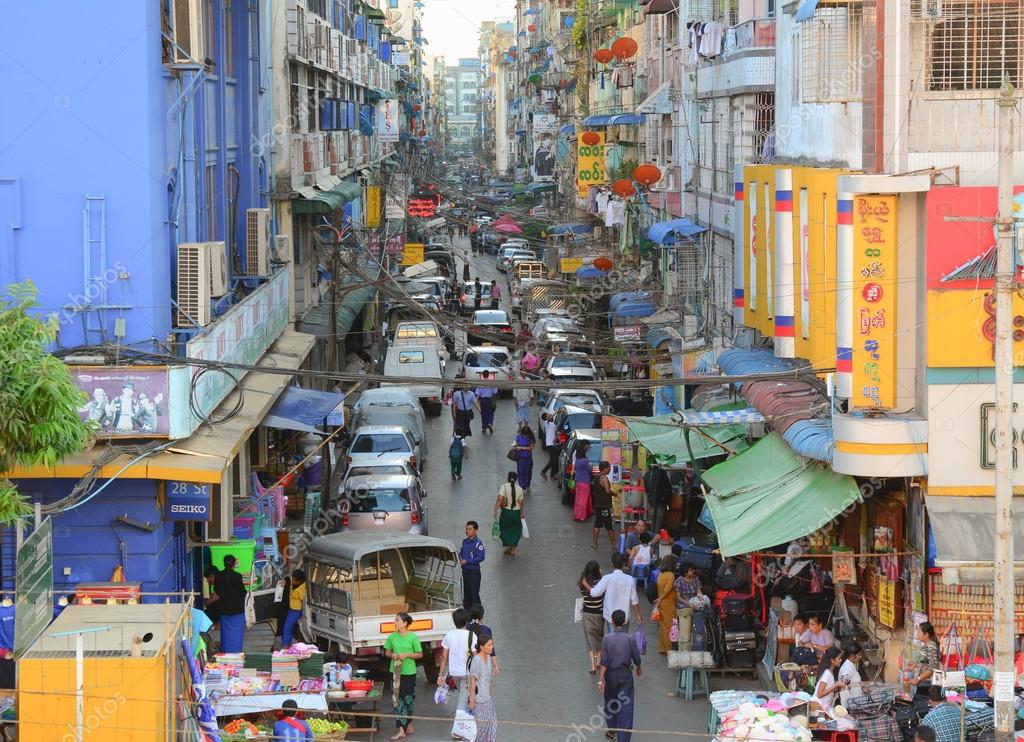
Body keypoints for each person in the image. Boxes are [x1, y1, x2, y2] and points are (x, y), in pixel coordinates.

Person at [598, 609, 641, 742]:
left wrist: (601, 680)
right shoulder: (630, 638)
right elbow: (636, 657)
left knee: (611, 703)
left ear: (611, 621)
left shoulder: (606, 639)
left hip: (610, 676)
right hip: (625, 676)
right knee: (626, 706)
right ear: (625, 621)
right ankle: (623, 738)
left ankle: (612, 730)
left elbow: (603, 662)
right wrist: (639, 667)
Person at [384, 612, 423, 740]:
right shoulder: (392, 637)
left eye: (398, 620)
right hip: (395, 671)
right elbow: (387, 651)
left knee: (408, 699)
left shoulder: (413, 637)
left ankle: (409, 722)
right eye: (395, 620)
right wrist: (392, 655)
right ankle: (401, 729)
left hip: (409, 672)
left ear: (405, 623)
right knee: (397, 699)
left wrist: (407, 655)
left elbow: (419, 654)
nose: (395, 623)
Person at [437, 608, 477, 722]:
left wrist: (441, 674)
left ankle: (463, 720)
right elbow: (475, 656)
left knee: (462, 695)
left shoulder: (449, 635)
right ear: (466, 621)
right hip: (467, 672)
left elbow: (444, 656)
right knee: (463, 698)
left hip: (454, 672)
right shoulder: (471, 635)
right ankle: (457, 728)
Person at [590, 552, 643, 631]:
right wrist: (638, 614)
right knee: (623, 640)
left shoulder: (607, 578)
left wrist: (586, 585)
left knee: (612, 640)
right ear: (623, 564)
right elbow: (634, 601)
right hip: (624, 617)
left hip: (610, 616)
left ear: (611, 564)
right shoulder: (629, 579)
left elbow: (594, 593)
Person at [468, 636, 498, 742]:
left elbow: (487, 680)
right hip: (479, 701)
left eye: (492, 644)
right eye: (488, 645)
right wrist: (472, 701)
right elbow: (473, 682)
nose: (491, 647)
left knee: (492, 726)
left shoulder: (489, 658)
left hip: (487, 700)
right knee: (481, 731)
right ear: (481, 647)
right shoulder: (477, 660)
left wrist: (489, 695)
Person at [215, 555, 247, 652]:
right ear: (234, 564)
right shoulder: (237, 576)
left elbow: (217, 590)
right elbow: (242, 592)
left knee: (225, 634)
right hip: (237, 610)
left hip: (224, 609)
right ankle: (236, 654)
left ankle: (226, 653)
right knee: (237, 634)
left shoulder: (218, 575)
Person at [579, 561, 606, 673]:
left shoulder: (583, 583)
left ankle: (593, 666)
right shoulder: (601, 582)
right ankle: (599, 661)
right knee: (599, 637)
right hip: (599, 614)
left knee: (589, 640)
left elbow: (583, 596)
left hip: (587, 614)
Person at [493, 471, 525, 556]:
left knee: (504, 529)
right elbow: (521, 503)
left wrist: (495, 510)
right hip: (516, 513)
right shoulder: (520, 489)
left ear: (508, 478)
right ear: (516, 479)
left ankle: (509, 546)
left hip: (506, 513)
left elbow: (500, 499)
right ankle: (512, 549)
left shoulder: (504, 487)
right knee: (516, 530)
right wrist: (522, 513)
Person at [653, 555, 679, 654]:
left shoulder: (661, 574)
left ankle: (663, 648)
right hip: (668, 604)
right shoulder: (671, 575)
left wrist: (659, 599)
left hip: (662, 604)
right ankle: (668, 649)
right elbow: (667, 590)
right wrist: (660, 598)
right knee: (669, 627)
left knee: (663, 627)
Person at [908, 621, 941, 695]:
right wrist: (915, 664)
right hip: (924, 682)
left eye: (919, 632)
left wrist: (918, 679)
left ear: (926, 635)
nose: (917, 635)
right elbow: (926, 661)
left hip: (928, 683)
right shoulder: (926, 646)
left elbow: (931, 669)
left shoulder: (931, 647)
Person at [459, 521, 485, 611]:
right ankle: (468, 615)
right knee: (467, 594)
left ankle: (478, 615)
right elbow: (461, 553)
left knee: (474, 594)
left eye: (470, 529)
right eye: (466, 529)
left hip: (474, 572)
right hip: (465, 571)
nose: (467, 531)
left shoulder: (478, 543)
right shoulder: (464, 542)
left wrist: (467, 561)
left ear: (475, 531)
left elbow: (481, 557)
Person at [811, 647, 846, 713]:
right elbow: (819, 694)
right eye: (839, 658)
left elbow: (827, 688)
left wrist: (836, 687)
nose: (841, 660)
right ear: (832, 660)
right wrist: (836, 685)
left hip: (823, 707)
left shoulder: (831, 672)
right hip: (817, 707)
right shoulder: (827, 673)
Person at [592, 461, 617, 550]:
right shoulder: (604, 478)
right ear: (605, 468)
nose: (610, 469)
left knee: (597, 525)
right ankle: (614, 543)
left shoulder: (596, 477)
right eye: (609, 468)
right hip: (605, 505)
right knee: (609, 526)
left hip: (598, 505)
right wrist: (614, 494)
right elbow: (607, 490)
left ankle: (595, 544)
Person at [280, 569, 306, 647]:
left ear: (300, 581)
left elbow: (303, 601)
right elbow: (288, 580)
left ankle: (285, 646)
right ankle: (286, 644)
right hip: (290, 609)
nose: (292, 581)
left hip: (297, 611)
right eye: (292, 578)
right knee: (287, 628)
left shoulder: (302, 588)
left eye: (294, 580)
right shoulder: (291, 581)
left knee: (287, 628)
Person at [573, 442, 594, 522]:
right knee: (583, 499)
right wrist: (590, 466)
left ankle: (578, 514)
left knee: (578, 498)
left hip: (578, 480)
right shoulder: (585, 460)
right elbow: (589, 469)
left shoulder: (577, 460)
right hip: (585, 481)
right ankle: (581, 515)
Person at [513, 425, 535, 492]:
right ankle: (521, 486)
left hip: (528, 457)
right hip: (520, 457)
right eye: (524, 435)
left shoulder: (531, 438)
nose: (525, 436)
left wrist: (522, 448)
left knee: (528, 472)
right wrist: (516, 447)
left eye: (526, 435)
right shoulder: (519, 437)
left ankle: (527, 485)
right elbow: (516, 445)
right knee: (520, 472)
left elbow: (531, 448)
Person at [540, 412, 561, 480]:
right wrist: (555, 439)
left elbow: (554, 432)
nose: (550, 415)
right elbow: (550, 418)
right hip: (550, 443)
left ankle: (552, 475)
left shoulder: (549, 423)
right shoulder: (547, 423)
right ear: (546, 418)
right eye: (548, 415)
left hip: (551, 443)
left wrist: (557, 412)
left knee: (553, 459)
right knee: (554, 460)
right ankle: (545, 471)